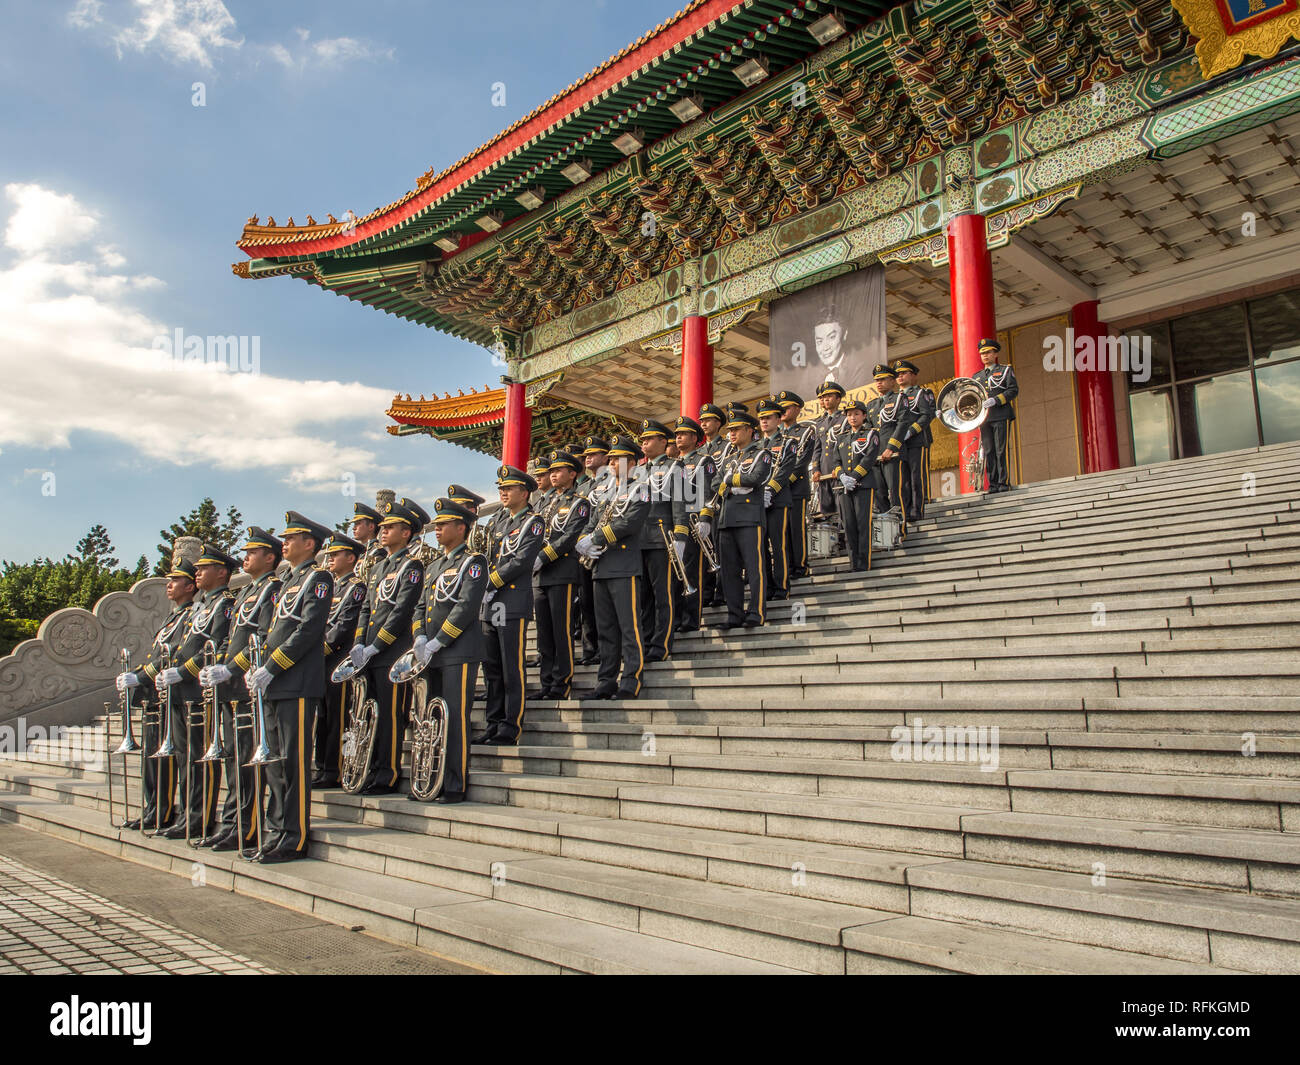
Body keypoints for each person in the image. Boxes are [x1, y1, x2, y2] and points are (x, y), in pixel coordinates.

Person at [242, 511, 333, 863]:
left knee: (292, 764)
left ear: (308, 544)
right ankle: (274, 831)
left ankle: (292, 838)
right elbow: (272, 632)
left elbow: (308, 630)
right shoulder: (286, 582)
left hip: (295, 683)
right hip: (274, 682)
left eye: (291, 538)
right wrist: (260, 668)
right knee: (274, 764)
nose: (284, 542)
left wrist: (273, 666)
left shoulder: (318, 578)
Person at [196, 528, 280, 852]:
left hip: (247, 688)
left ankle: (247, 826)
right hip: (231, 690)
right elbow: (230, 642)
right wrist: (217, 666)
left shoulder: (271, 589)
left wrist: (231, 668)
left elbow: (260, 638)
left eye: (253, 551)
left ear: (269, 557)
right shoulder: (245, 594)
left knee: (245, 761)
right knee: (233, 760)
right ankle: (232, 822)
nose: (245, 556)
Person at [410, 497, 489, 803]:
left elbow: (466, 606)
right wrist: (419, 636)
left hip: (458, 650)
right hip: (429, 651)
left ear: (461, 527)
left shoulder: (473, 561)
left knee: (453, 719)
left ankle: (453, 784)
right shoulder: (432, 567)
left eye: (443, 525)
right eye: (436, 525)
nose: (437, 530)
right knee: (428, 721)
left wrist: (438, 639)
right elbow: (420, 607)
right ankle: (428, 779)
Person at [154, 545, 235, 840]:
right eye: (196, 569)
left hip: (198, 691)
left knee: (199, 757)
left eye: (203, 568)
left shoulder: (225, 604)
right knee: (185, 758)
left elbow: (212, 648)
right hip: (181, 690)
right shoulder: (202, 606)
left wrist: (184, 671)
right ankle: (188, 814)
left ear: (222, 572)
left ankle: (199, 818)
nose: (197, 572)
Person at [114, 556, 197, 832]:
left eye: (175, 581)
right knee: (153, 759)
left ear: (190, 586)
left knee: (176, 759)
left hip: (175, 693)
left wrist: (138, 675)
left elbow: (171, 654)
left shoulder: (191, 615)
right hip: (157, 695)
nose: (169, 585)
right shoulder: (172, 616)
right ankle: (154, 811)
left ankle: (174, 813)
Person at [350, 498, 426, 794]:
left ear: (406, 533)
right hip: (368, 652)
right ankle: (369, 768)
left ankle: (388, 772)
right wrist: (360, 642)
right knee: (369, 716)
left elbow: (402, 610)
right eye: (382, 527)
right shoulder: (378, 567)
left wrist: (377, 645)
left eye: (390, 527)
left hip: (392, 652)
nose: (383, 531)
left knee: (390, 717)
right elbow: (367, 609)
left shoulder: (412, 566)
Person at [576, 434, 650, 699]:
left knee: (629, 628)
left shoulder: (640, 488)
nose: (610, 464)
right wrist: (582, 540)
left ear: (630, 461)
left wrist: (595, 538)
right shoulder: (606, 493)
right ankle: (606, 680)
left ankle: (631, 680)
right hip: (600, 568)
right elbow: (591, 522)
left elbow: (628, 524)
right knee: (606, 629)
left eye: (616, 459)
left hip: (624, 566)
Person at [476, 465, 545, 745]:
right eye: (500, 488)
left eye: (508, 488)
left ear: (525, 492)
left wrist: (490, 582)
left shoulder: (533, 521)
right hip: (489, 603)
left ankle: (510, 725)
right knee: (492, 667)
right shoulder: (496, 522)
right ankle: (492, 722)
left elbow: (522, 560)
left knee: (511, 666)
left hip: (512, 600)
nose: (502, 492)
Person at [533, 450, 591, 700]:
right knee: (544, 635)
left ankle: (562, 681)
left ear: (573, 473)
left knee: (561, 630)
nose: (553, 475)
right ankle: (546, 682)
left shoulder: (579, 502)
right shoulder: (543, 504)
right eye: (551, 471)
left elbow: (569, 538)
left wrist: (542, 557)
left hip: (562, 572)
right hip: (540, 575)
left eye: (558, 471)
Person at [710, 410, 774, 629]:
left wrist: (730, 481)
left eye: (736, 429)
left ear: (749, 430)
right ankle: (734, 613)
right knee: (729, 571)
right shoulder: (728, 459)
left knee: (754, 569)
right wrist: (733, 486)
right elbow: (714, 484)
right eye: (730, 430)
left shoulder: (761, 453)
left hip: (749, 518)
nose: (732, 434)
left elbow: (757, 477)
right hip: (726, 519)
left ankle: (756, 612)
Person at [315, 533, 366, 787]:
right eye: (330, 554)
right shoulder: (331, 586)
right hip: (321, 661)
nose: (330, 559)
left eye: (336, 555)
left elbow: (346, 624)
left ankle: (337, 767)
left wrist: (323, 647)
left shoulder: (356, 587)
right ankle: (322, 764)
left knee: (340, 718)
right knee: (323, 716)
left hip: (340, 660)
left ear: (351, 557)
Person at [634, 419, 685, 662]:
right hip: (639, 540)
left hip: (662, 538)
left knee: (662, 594)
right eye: (642, 439)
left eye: (649, 438)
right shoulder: (637, 471)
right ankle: (644, 641)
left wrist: (681, 537)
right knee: (643, 596)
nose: (643, 443)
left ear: (663, 442)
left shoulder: (676, 467)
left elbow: (681, 504)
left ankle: (662, 644)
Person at [672, 416, 716, 634]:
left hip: (693, 522)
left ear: (694, 437)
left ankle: (691, 618)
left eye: (683, 433)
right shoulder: (672, 464)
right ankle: (677, 616)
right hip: (673, 525)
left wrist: (706, 517)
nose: (678, 436)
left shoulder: (702, 461)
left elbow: (708, 491)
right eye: (677, 434)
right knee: (675, 573)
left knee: (691, 571)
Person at [832, 400, 883, 571]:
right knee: (849, 525)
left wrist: (853, 477)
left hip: (863, 485)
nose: (852, 417)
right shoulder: (841, 437)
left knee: (862, 524)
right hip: (844, 486)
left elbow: (869, 458)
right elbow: (836, 461)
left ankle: (864, 562)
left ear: (864, 416)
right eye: (849, 414)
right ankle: (853, 563)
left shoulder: (871, 434)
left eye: (856, 414)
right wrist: (842, 476)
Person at [576, 436, 611, 665]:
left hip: (605, 546)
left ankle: (605, 649)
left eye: (594, 454)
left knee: (602, 604)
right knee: (586, 602)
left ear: (606, 457)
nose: (588, 457)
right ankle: (589, 648)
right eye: (587, 454)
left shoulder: (614, 481)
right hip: (584, 549)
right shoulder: (583, 486)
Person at [757, 398, 796, 601]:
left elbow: (786, 469)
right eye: (762, 418)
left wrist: (770, 490)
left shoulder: (788, 442)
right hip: (756, 502)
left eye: (768, 417)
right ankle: (768, 586)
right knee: (761, 546)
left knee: (778, 544)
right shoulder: (756, 445)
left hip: (778, 500)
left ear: (779, 419)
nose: (764, 421)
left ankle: (781, 587)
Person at [776, 390, 814, 580]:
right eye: (780, 408)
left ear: (797, 409)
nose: (783, 411)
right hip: (777, 491)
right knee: (782, 531)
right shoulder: (776, 435)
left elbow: (802, 461)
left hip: (796, 488)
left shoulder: (806, 431)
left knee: (796, 529)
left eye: (787, 407)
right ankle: (786, 566)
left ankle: (800, 566)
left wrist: (783, 480)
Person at [893, 359, 937, 523]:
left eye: (904, 373)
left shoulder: (921, 393)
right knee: (903, 478)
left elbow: (927, 415)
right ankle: (906, 508)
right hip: (900, 443)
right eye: (897, 374)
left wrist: (911, 431)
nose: (900, 377)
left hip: (918, 440)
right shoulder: (896, 398)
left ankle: (917, 508)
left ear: (913, 375)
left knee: (916, 476)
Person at [972, 338, 1019, 492]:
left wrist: (996, 400)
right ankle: (992, 483)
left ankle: (1003, 482)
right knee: (989, 450)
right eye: (982, 353)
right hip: (984, 418)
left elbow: (1013, 390)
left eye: (988, 352)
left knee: (1000, 449)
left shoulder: (1005, 370)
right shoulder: (976, 376)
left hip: (1001, 414)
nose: (985, 356)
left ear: (995, 353)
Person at [871, 364, 907, 518]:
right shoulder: (871, 405)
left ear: (893, 381)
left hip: (892, 454)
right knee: (879, 494)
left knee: (895, 492)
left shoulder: (899, 398)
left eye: (883, 379)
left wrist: (891, 448)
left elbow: (903, 424)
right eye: (877, 380)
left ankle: (901, 528)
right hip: (876, 456)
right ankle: (887, 530)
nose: (879, 383)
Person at [808, 379, 847, 521]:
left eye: (829, 396)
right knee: (826, 510)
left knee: (841, 509)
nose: (825, 399)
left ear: (838, 399)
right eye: (823, 397)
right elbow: (816, 449)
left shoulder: (845, 418)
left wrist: (841, 468)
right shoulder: (819, 423)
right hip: (823, 471)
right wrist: (816, 469)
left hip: (838, 470)